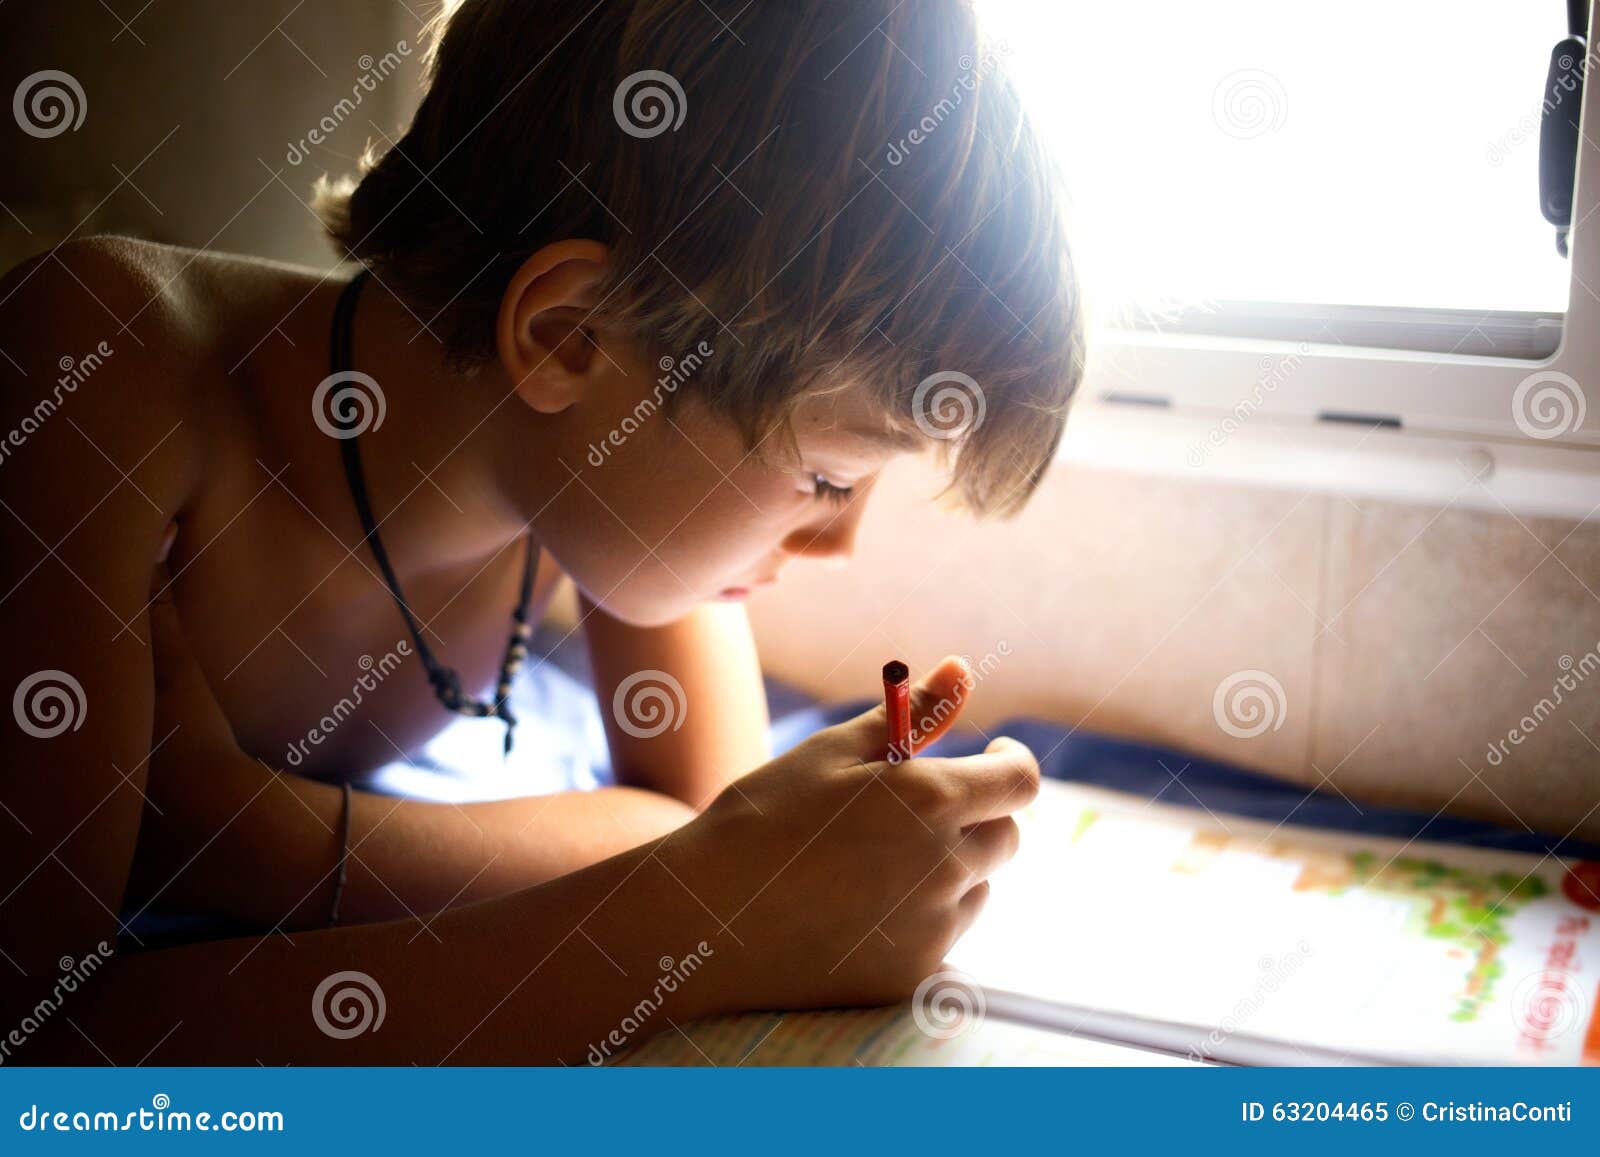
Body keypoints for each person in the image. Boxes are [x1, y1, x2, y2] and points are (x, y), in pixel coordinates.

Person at [0, 0, 1081, 1063]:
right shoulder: (92, 376)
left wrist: (274, 844)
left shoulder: (575, 474)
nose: (834, 543)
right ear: (569, 336)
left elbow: (696, 814)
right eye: (825, 475)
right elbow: (40, 1047)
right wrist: (708, 926)